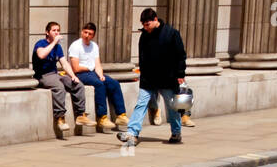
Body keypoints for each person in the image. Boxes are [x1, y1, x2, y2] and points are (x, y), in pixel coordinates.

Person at [118, 9, 187, 147]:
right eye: (143, 25)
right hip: (148, 79)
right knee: (141, 104)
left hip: (167, 78)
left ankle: (176, 132)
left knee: (172, 107)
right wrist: (142, 73)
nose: (145, 27)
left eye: (147, 24)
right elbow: (142, 57)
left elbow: (180, 55)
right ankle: (132, 133)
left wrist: (180, 74)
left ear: (156, 20)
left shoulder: (171, 34)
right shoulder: (144, 35)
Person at [67, 23, 129, 132]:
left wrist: (101, 75)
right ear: (82, 32)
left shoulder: (94, 46)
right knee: (99, 84)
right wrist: (91, 69)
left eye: (90, 34)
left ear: (93, 35)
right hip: (80, 74)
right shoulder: (75, 46)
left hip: (92, 72)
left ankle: (121, 115)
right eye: (85, 32)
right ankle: (102, 117)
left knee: (114, 83)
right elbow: (76, 68)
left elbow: (98, 64)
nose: (87, 35)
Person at [32, 22, 90, 131]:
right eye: (54, 30)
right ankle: (60, 118)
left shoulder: (58, 47)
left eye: (58, 30)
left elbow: (64, 63)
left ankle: (80, 115)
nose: (57, 32)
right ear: (47, 32)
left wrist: (73, 76)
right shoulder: (40, 43)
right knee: (59, 87)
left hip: (55, 74)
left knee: (78, 85)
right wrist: (54, 42)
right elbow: (41, 55)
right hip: (42, 75)